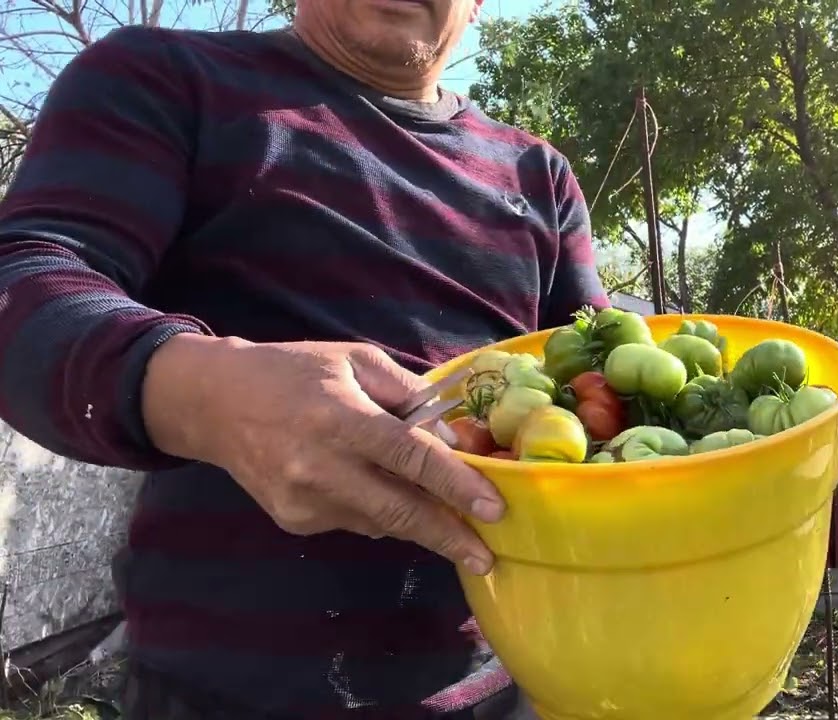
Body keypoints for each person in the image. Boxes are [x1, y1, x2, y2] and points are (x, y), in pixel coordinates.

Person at [0, 0, 608, 717]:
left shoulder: (540, 174)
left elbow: (596, 386)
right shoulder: (163, 77)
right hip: (219, 693)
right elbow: (29, 277)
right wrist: (205, 391)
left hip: (509, 682)